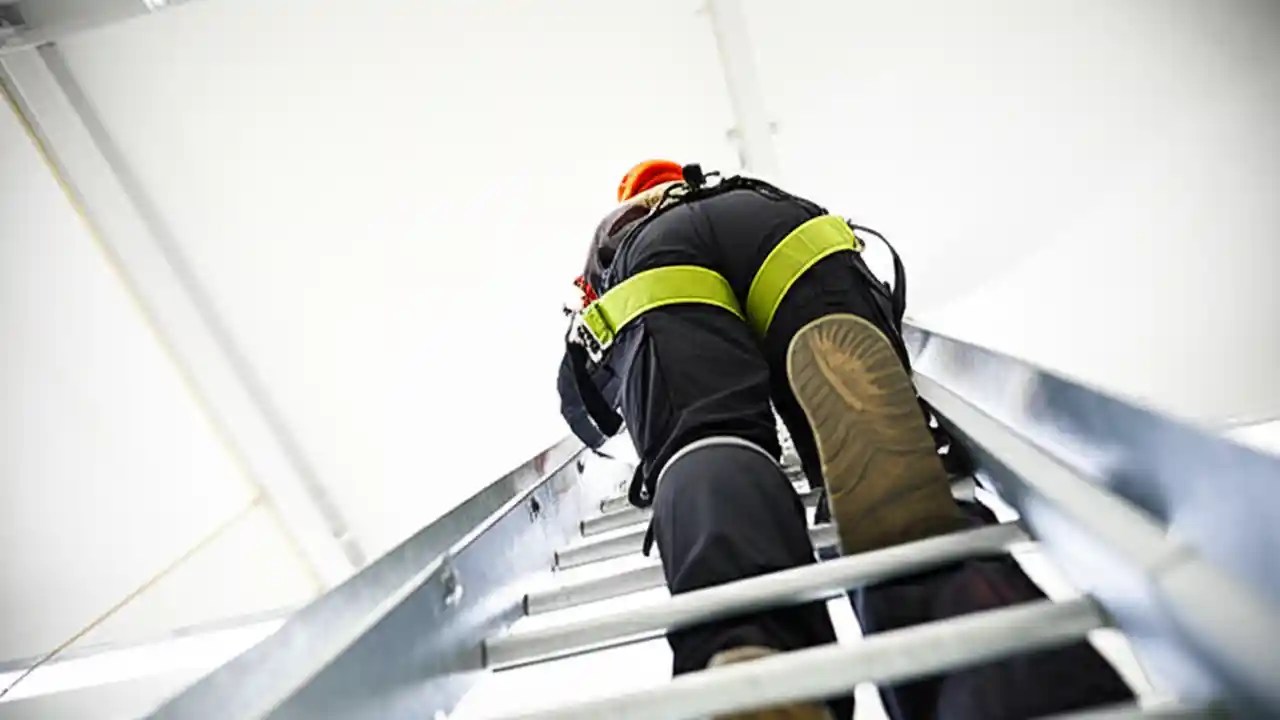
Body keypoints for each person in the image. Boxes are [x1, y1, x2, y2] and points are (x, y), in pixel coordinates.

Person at [556, 160, 1131, 720]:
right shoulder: (735, 186)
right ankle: (940, 577)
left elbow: (589, 382)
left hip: (659, 269)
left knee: (705, 435)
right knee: (849, 425)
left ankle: (748, 647)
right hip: (781, 231)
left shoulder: (620, 228)